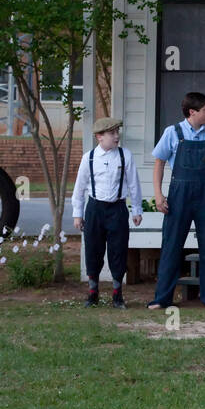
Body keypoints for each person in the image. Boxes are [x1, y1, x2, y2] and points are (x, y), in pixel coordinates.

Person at [147, 91, 205, 309]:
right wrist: (159, 195)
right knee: (171, 246)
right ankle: (162, 299)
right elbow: (159, 163)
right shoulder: (172, 132)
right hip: (178, 196)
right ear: (192, 112)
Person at [71, 117, 142, 308]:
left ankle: (117, 294)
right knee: (93, 249)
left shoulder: (125, 155)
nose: (117, 136)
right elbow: (79, 187)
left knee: (118, 249)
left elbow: (134, 184)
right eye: (112, 133)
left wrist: (136, 209)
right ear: (99, 137)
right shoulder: (89, 158)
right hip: (95, 208)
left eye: (117, 132)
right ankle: (93, 292)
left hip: (117, 208)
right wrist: (78, 214)